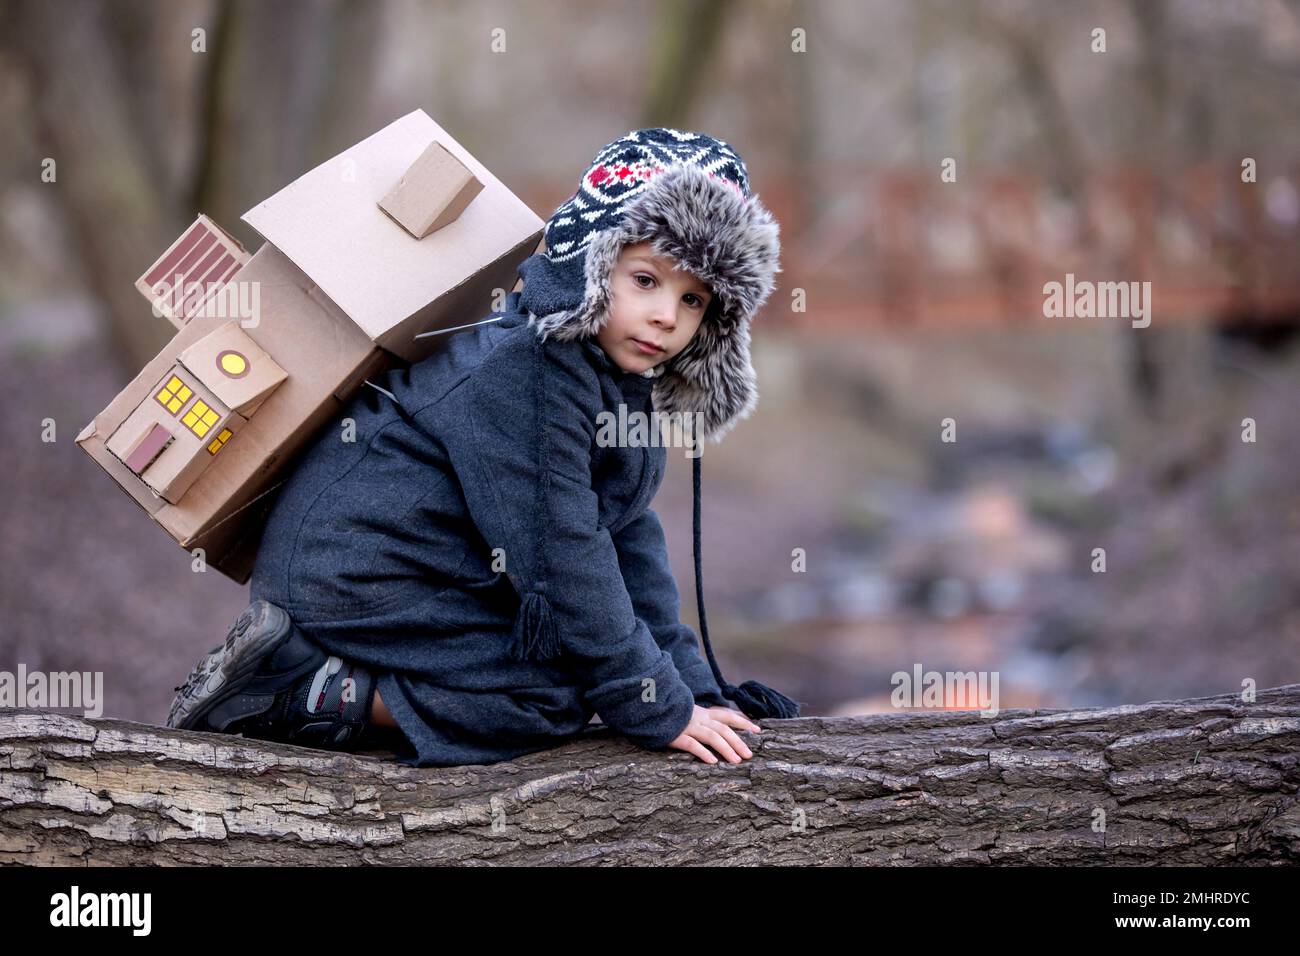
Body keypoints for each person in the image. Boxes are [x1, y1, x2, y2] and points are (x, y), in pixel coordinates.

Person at [167, 127, 800, 767]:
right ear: (590, 259)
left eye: (693, 299)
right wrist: (655, 706)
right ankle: (297, 687)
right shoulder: (529, 369)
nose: (667, 314)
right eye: (645, 280)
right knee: (551, 697)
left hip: (436, 567)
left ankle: (336, 683)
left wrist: (692, 687)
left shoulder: (620, 381)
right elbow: (562, 554)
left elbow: (628, 544)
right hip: (358, 570)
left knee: (586, 671)